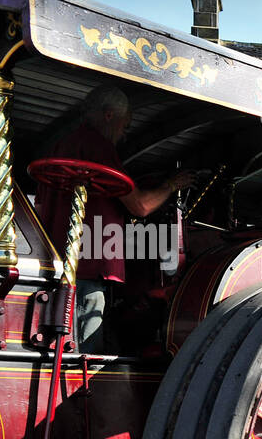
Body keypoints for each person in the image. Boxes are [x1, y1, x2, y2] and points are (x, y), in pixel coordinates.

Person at [35, 85, 196, 353]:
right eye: (125, 126)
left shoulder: (60, 146)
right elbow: (141, 206)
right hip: (87, 264)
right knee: (86, 350)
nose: (123, 136)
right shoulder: (97, 145)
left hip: (56, 262)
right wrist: (172, 185)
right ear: (109, 115)